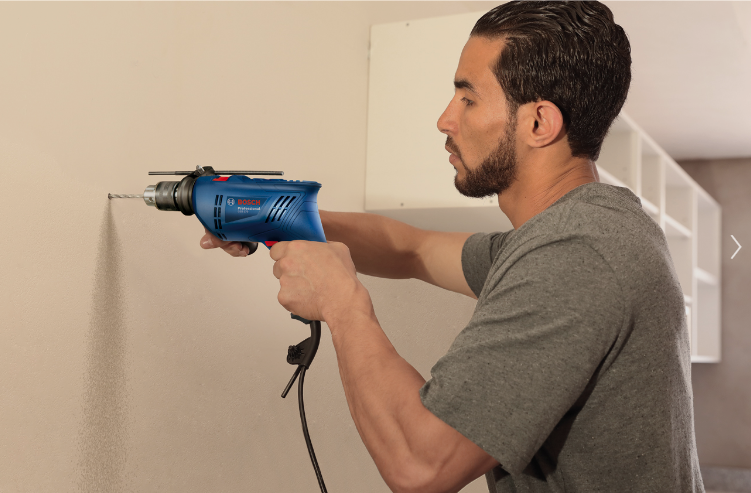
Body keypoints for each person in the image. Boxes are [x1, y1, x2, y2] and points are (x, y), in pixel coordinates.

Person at [201, 1, 704, 491]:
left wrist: (341, 303)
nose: (445, 119)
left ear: (538, 123)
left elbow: (422, 464)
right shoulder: (583, 230)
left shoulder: (574, 255)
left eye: (468, 98)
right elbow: (412, 249)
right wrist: (272, 214)